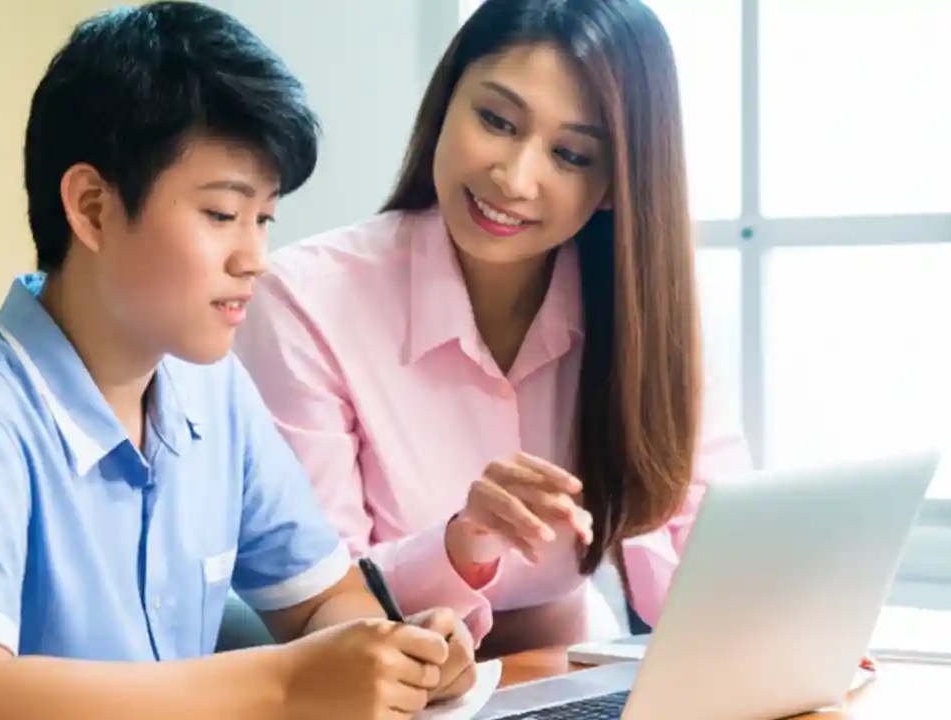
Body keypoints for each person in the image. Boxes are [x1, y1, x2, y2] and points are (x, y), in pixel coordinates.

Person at [0, 3, 474, 718]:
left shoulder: (214, 393)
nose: (254, 258)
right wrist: (288, 685)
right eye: (223, 215)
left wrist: (395, 657)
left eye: (265, 220)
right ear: (93, 208)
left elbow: (322, 601)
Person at [236, 0, 752, 658]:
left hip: (571, 676)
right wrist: (458, 547)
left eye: (570, 154)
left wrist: (783, 626)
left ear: (617, 184)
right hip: (396, 694)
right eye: (496, 120)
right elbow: (323, 603)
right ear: (446, 101)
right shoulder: (305, 301)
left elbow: (706, 532)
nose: (514, 178)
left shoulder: (642, 311)